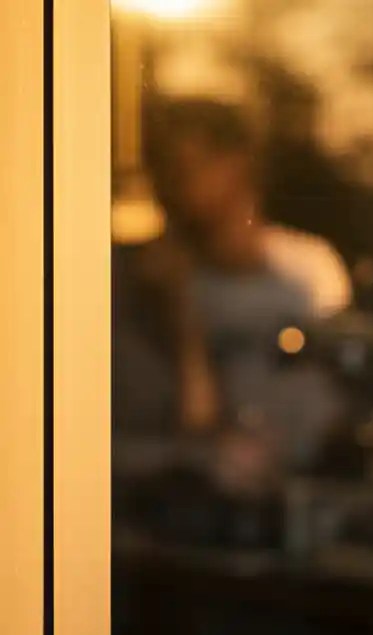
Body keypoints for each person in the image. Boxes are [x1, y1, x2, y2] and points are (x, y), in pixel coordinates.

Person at [113, 99, 350, 508]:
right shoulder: (145, 280)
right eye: (164, 169)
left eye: (190, 165)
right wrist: (179, 317)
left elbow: (329, 398)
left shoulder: (309, 268)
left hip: (301, 488)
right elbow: (187, 419)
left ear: (239, 166)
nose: (172, 183)